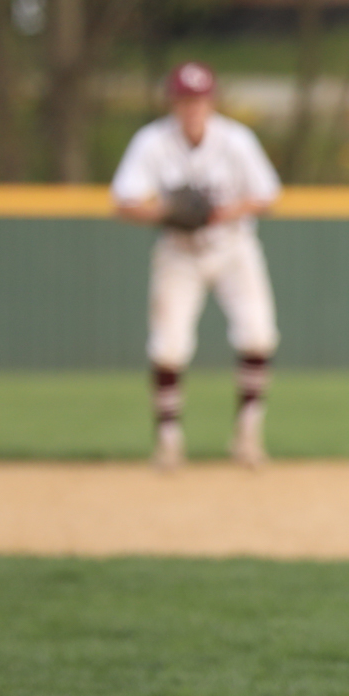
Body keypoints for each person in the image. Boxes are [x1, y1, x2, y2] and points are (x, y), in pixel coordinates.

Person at [112, 62, 283, 470]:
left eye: (199, 98)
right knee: (169, 346)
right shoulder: (152, 142)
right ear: (173, 101)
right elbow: (124, 201)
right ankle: (168, 442)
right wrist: (168, 212)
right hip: (179, 251)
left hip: (232, 247)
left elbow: (267, 194)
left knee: (258, 334)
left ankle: (248, 435)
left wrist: (223, 212)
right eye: (184, 99)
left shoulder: (236, 140)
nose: (192, 106)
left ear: (212, 100)